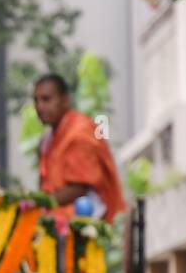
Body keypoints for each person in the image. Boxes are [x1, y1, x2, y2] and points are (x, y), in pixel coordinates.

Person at [33, 74, 125, 222]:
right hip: (58, 218)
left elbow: (79, 188)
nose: (40, 107)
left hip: (89, 221)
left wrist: (40, 203)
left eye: (46, 99)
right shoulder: (47, 139)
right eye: (36, 101)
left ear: (65, 100)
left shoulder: (80, 131)